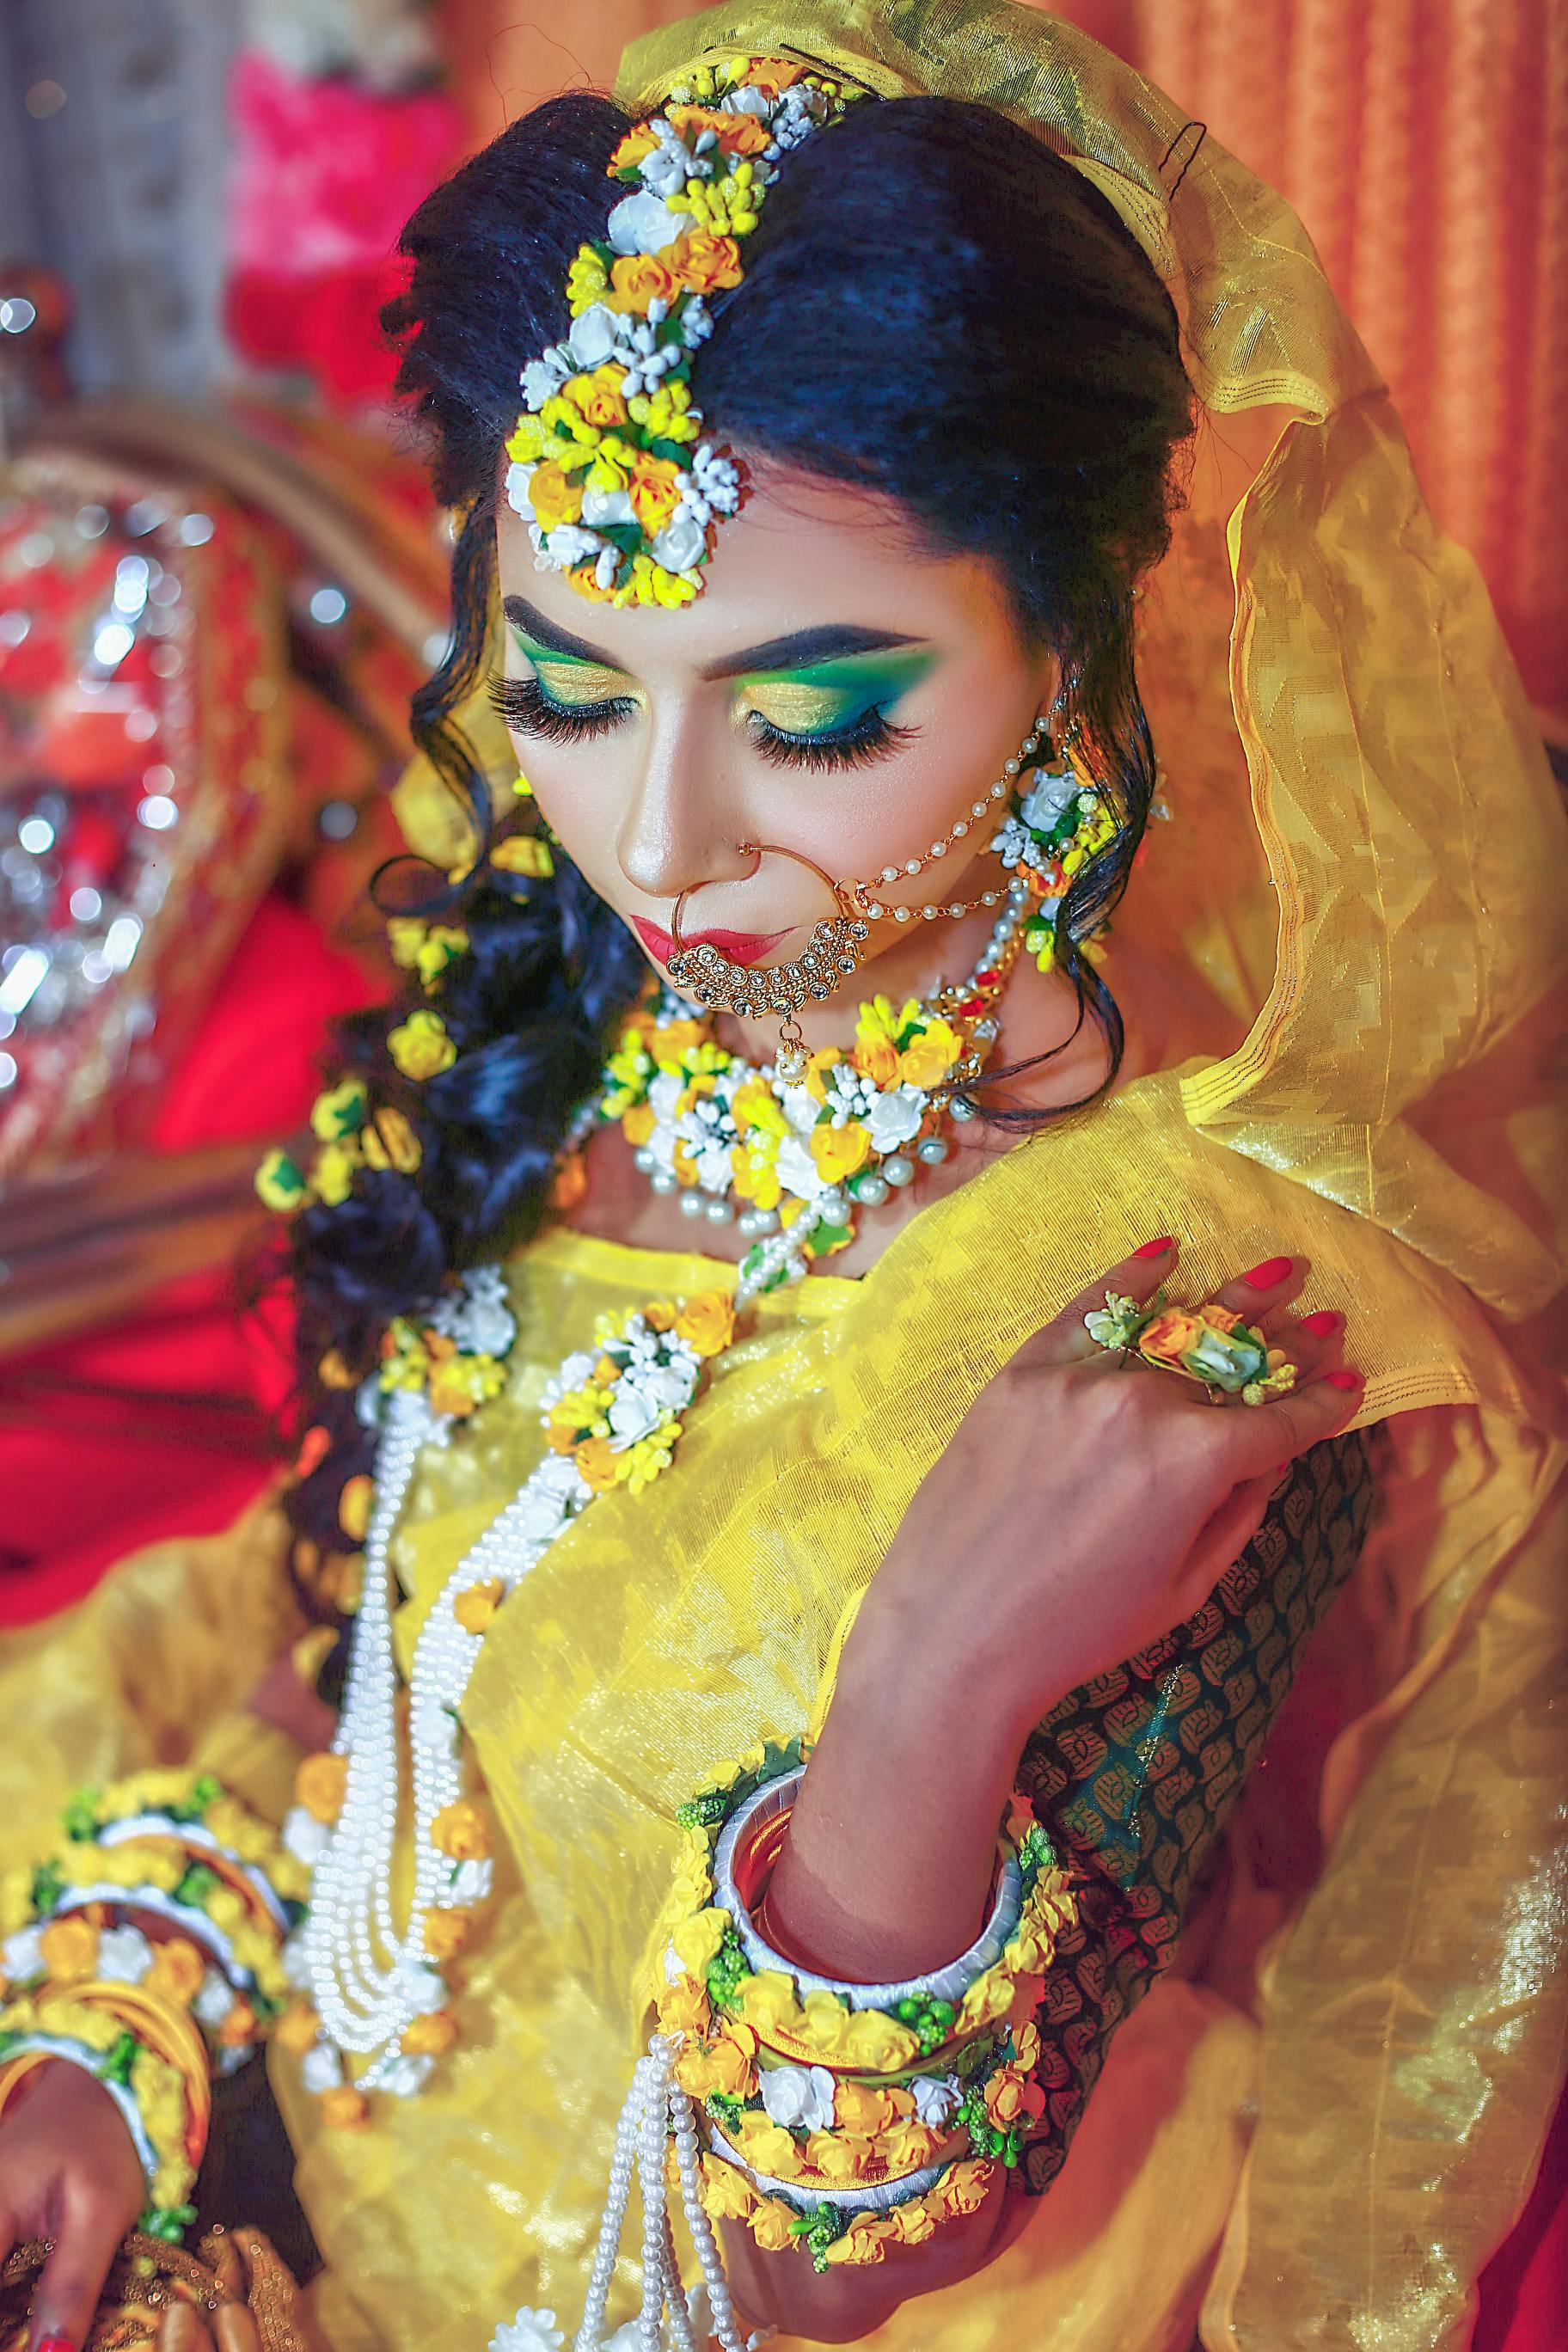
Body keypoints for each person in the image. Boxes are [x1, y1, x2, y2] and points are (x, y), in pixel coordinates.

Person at [2, 6, 1564, 2350]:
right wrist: (107, 2054)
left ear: (1080, 653)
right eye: (566, 680)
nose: (655, 843)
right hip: (282, 2157)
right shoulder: (581, 1045)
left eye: (816, 716)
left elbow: (833, 2257)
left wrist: (927, 1692)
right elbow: (367, 1701)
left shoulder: (1202, 1314)